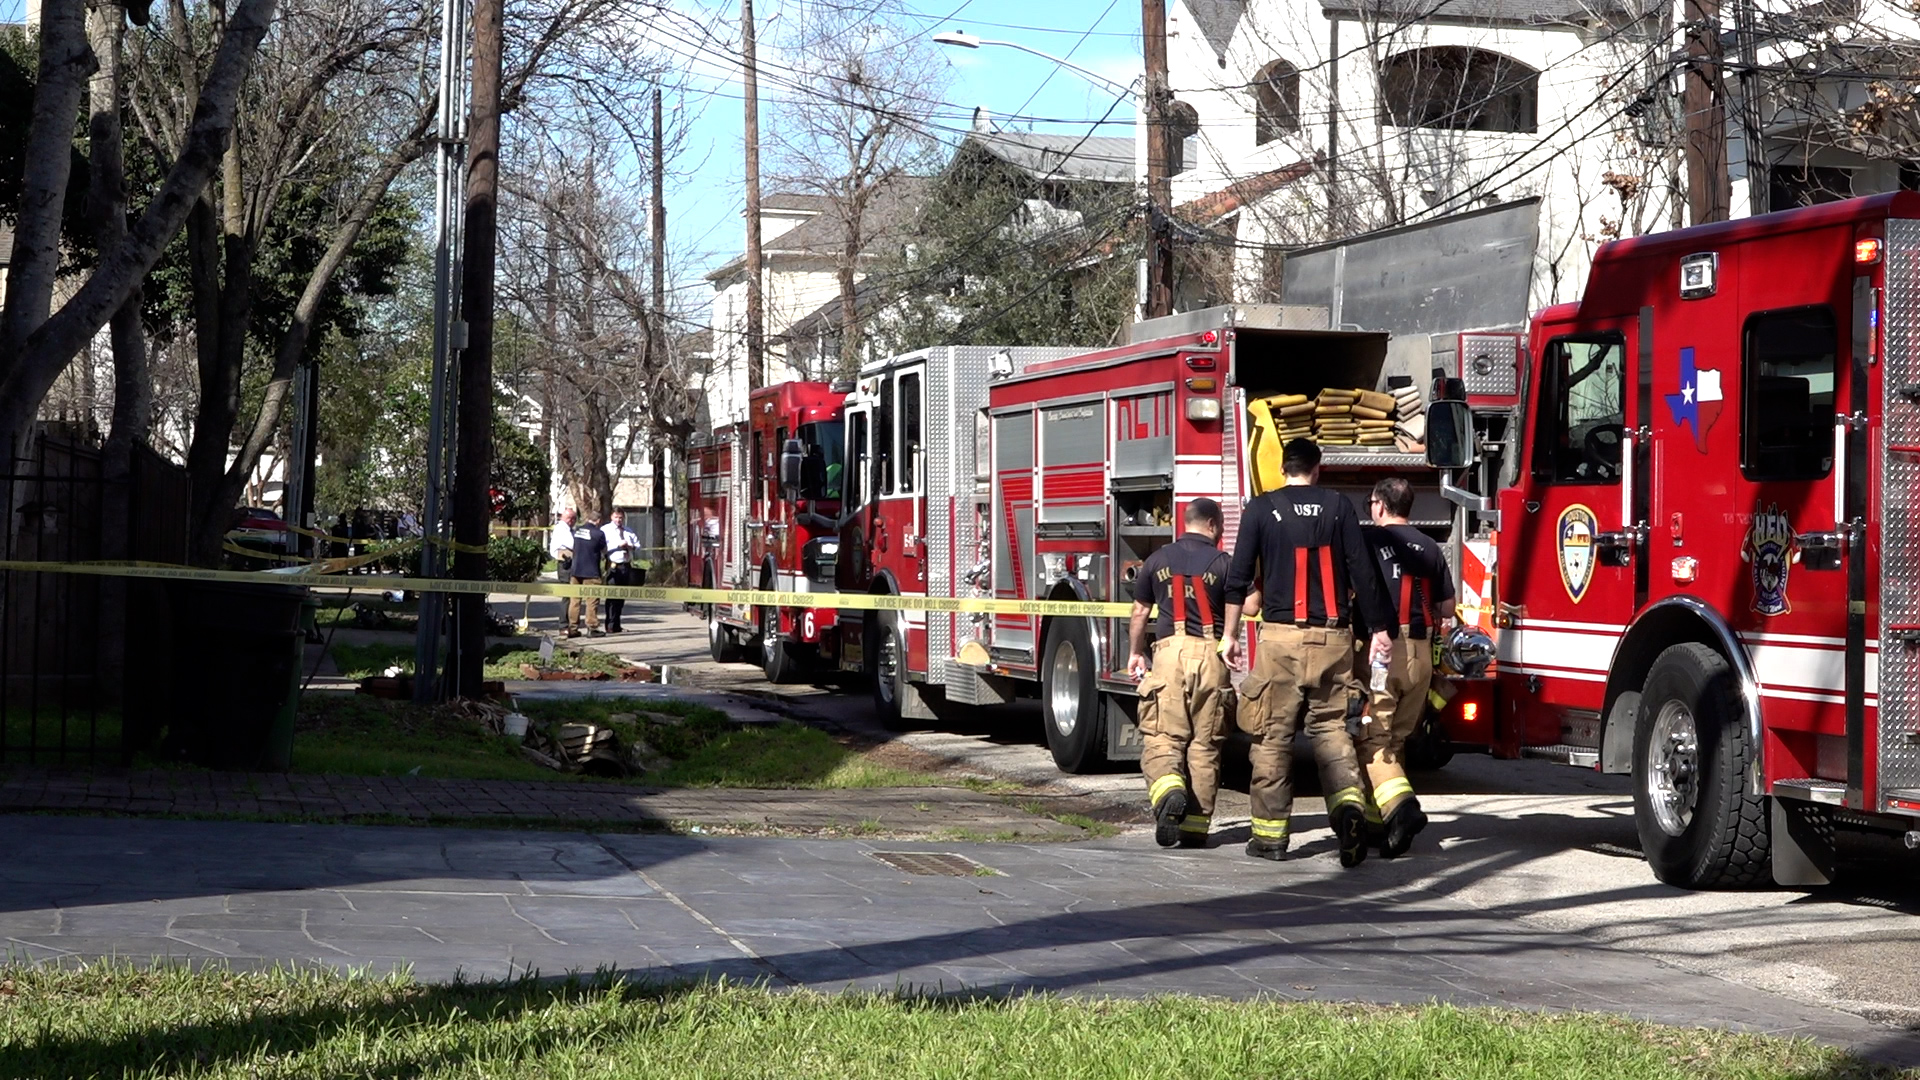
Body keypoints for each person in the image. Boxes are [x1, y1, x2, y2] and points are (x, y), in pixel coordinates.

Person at [1223, 437, 1395, 868]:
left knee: (1271, 738)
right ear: (1317, 468)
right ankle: (1349, 810)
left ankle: (1269, 838)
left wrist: (1228, 635)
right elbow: (1363, 571)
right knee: (1334, 733)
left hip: (1279, 640)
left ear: (1284, 468)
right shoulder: (1338, 507)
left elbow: (1238, 577)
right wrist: (1379, 630)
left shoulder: (1260, 509)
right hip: (1333, 640)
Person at [1355, 477, 1456, 857]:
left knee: (1372, 740)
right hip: (1420, 656)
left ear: (1380, 504)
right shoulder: (1430, 546)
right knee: (1395, 742)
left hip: (1384, 653)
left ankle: (1402, 809)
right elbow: (1446, 607)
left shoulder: (1369, 542)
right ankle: (1379, 825)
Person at [1126, 498, 1232, 849]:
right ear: (1214, 525)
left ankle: (1169, 791)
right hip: (1211, 655)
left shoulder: (1157, 559)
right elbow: (1249, 605)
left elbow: (1141, 612)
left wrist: (1135, 653)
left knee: (1163, 737)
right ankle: (1195, 828)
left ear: (1185, 523)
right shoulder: (1223, 562)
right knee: (1205, 746)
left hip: (1169, 653)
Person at [566, 510, 608, 638]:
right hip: (591, 572)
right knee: (592, 601)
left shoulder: (577, 531)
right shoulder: (599, 533)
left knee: (574, 601)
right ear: (598, 521)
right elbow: (604, 550)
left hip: (576, 571)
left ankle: (572, 628)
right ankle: (592, 627)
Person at [603, 510, 640, 633]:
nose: (618, 520)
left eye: (620, 517)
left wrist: (629, 546)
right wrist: (618, 546)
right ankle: (610, 624)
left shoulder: (628, 530)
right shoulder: (606, 530)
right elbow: (603, 548)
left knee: (621, 597)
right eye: (616, 517)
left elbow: (637, 545)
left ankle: (617, 624)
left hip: (626, 565)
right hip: (613, 565)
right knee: (612, 596)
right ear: (611, 517)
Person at [549, 509, 577, 583]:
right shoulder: (562, 528)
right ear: (570, 519)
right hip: (566, 561)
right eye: (574, 519)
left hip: (569, 561)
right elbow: (572, 544)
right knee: (567, 586)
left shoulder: (568, 529)